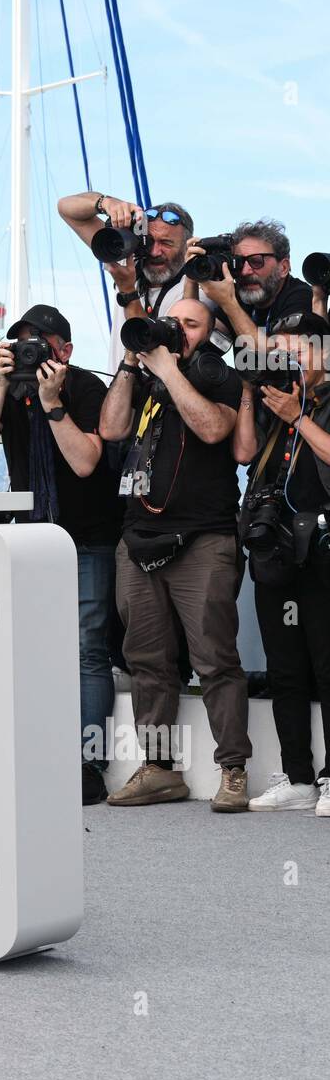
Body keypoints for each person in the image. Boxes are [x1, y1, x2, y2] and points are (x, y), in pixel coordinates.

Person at [98, 296, 252, 811]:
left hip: (203, 538)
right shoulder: (144, 379)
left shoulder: (217, 375)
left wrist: (170, 367)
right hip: (138, 538)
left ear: (209, 334)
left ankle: (232, 769)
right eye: (173, 322)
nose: (177, 330)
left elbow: (213, 428)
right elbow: (113, 429)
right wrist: (131, 361)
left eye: (190, 324)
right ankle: (160, 770)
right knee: (147, 661)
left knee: (216, 660)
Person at [0, 304, 122, 805]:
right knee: (30, 647)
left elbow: (85, 462)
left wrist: (54, 405)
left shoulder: (87, 388)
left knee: (86, 650)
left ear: (66, 350)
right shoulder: (11, 390)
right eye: (22, 343)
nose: (32, 351)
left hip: (86, 536)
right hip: (29, 540)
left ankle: (88, 765)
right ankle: (37, 753)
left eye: (41, 342)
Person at [232, 310, 330, 816]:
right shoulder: (278, 397)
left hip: (322, 551)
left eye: (298, 350)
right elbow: (244, 454)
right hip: (276, 552)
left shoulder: (317, 403)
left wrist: (299, 417)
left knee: (326, 665)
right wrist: (252, 391)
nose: (287, 360)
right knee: (284, 668)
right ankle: (298, 777)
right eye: (279, 351)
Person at [56, 191, 201, 370]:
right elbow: (66, 208)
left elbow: (149, 348)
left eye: (166, 243)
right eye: (149, 241)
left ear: (186, 246)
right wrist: (107, 203)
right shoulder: (129, 262)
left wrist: (127, 291)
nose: (155, 252)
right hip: (118, 391)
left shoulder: (195, 287)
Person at [187, 218, 314, 357]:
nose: (245, 271)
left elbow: (278, 359)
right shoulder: (236, 294)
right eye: (240, 262)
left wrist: (228, 304)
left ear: (283, 268)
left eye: (256, 261)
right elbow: (192, 339)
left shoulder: (301, 295)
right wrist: (191, 275)